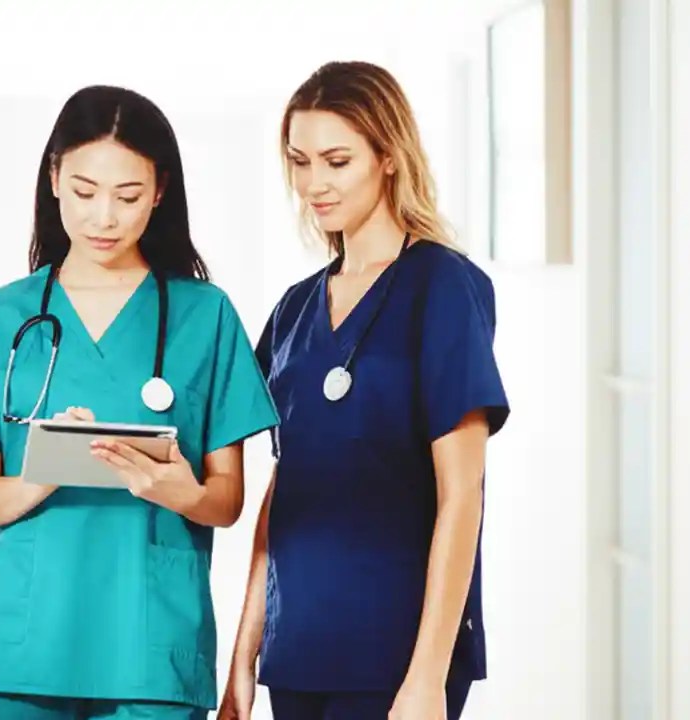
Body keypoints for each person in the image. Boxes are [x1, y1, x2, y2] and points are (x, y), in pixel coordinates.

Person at [0, 85, 279, 720]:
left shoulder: (204, 316)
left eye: (128, 196)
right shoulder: (4, 317)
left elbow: (226, 502)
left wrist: (173, 489)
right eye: (84, 192)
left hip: (152, 653)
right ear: (53, 178)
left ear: (160, 191)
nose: (103, 217)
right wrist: (48, 471)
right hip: (27, 649)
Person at [218, 61, 511, 720]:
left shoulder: (441, 287)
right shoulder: (295, 310)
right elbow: (283, 489)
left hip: (396, 648)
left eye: (336, 160)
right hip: (299, 648)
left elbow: (462, 493)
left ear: (387, 156)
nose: (313, 183)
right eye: (299, 161)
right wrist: (244, 653)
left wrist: (427, 678)